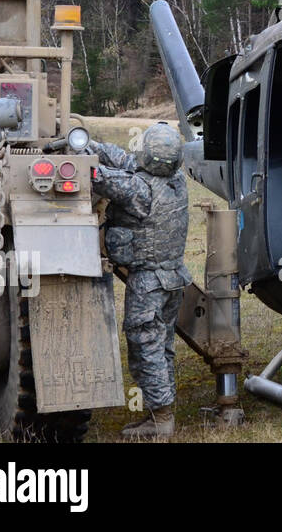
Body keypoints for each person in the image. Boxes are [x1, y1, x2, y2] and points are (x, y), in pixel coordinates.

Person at [91, 122, 192, 438]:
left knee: (146, 348)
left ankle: (161, 420)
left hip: (148, 284)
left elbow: (104, 177)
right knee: (162, 348)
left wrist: (80, 154)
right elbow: (122, 160)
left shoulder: (138, 189)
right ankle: (160, 412)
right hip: (172, 279)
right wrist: (89, 143)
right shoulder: (176, 180)